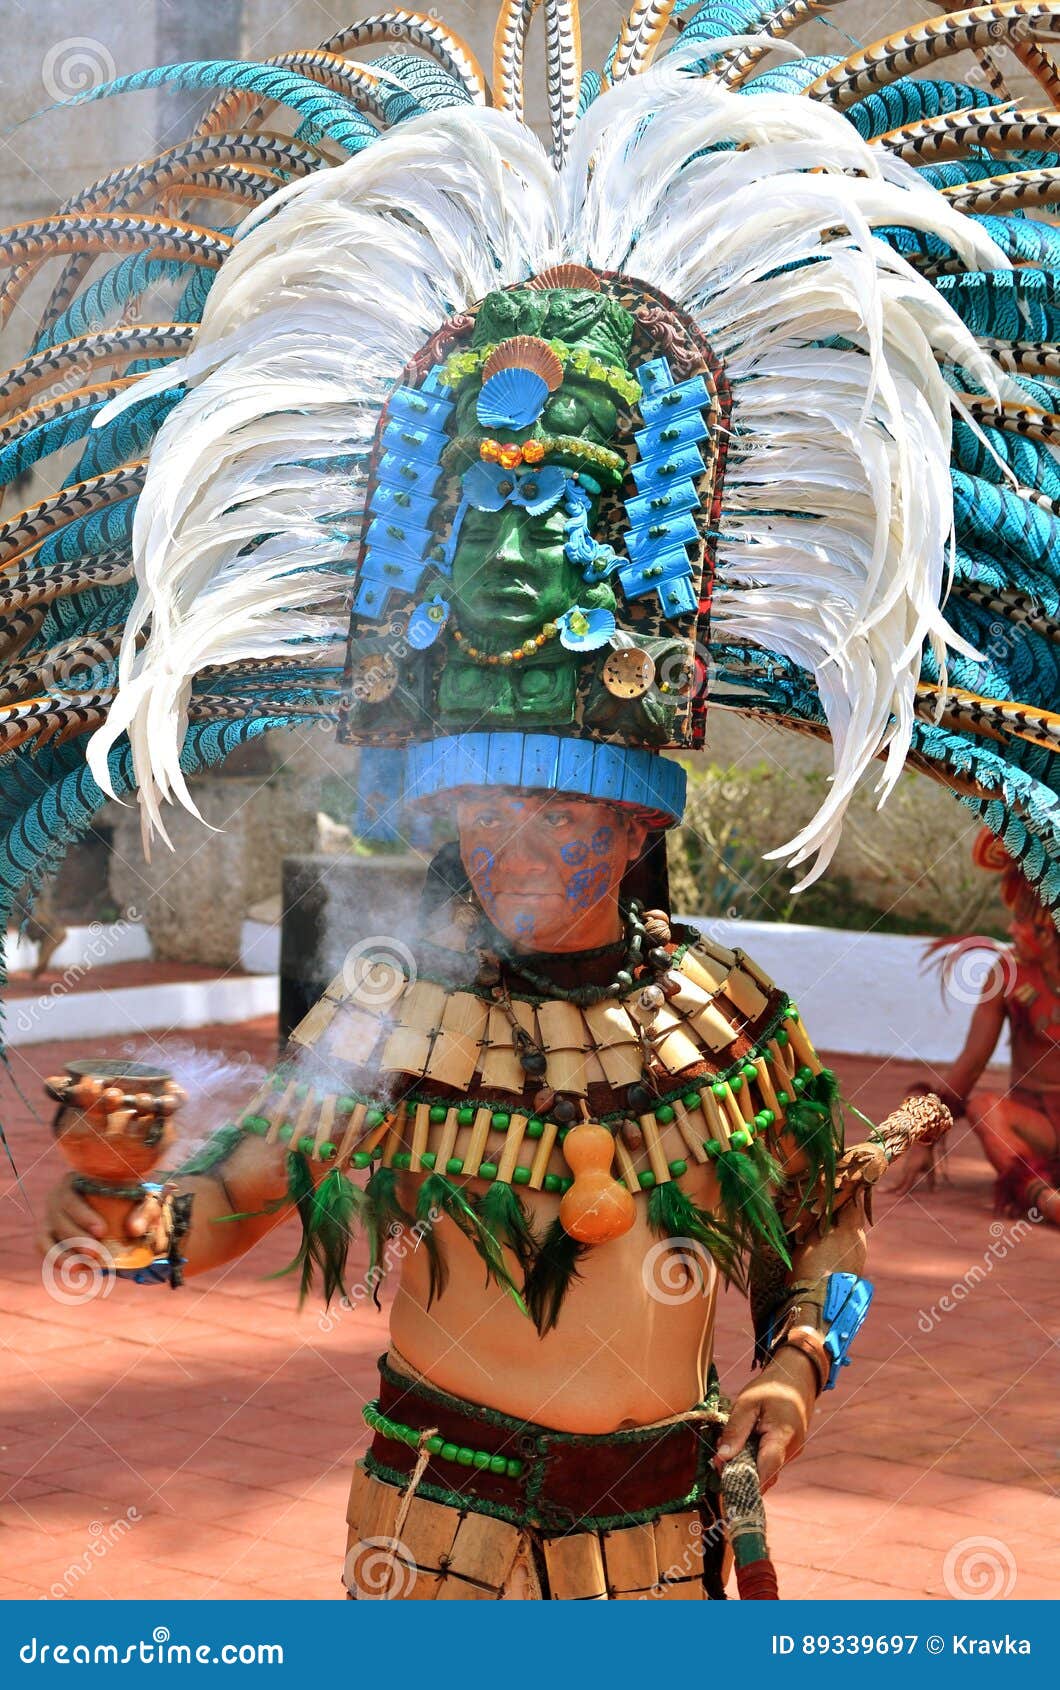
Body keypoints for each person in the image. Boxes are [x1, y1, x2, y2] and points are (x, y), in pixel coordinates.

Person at [5, 0, 1056, 1601]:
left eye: (552, 815)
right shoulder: (385, 1016)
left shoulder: (734, 1026)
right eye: (480, 810)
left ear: (638, 825)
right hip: (438, 1537)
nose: (504, 846)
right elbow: (241, 1194)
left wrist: (793, 1372)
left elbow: (821, 1237)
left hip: (668, 1542)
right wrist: (118, 1210)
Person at [894, 832, 1060, 1227]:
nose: (1011, 930)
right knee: (984, 1108)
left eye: (1021, 921)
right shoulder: (1005, 973)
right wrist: (926, 1134)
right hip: (1038, 1125)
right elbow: (970, 1065)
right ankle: (1044, 1199)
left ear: (1047, 930)